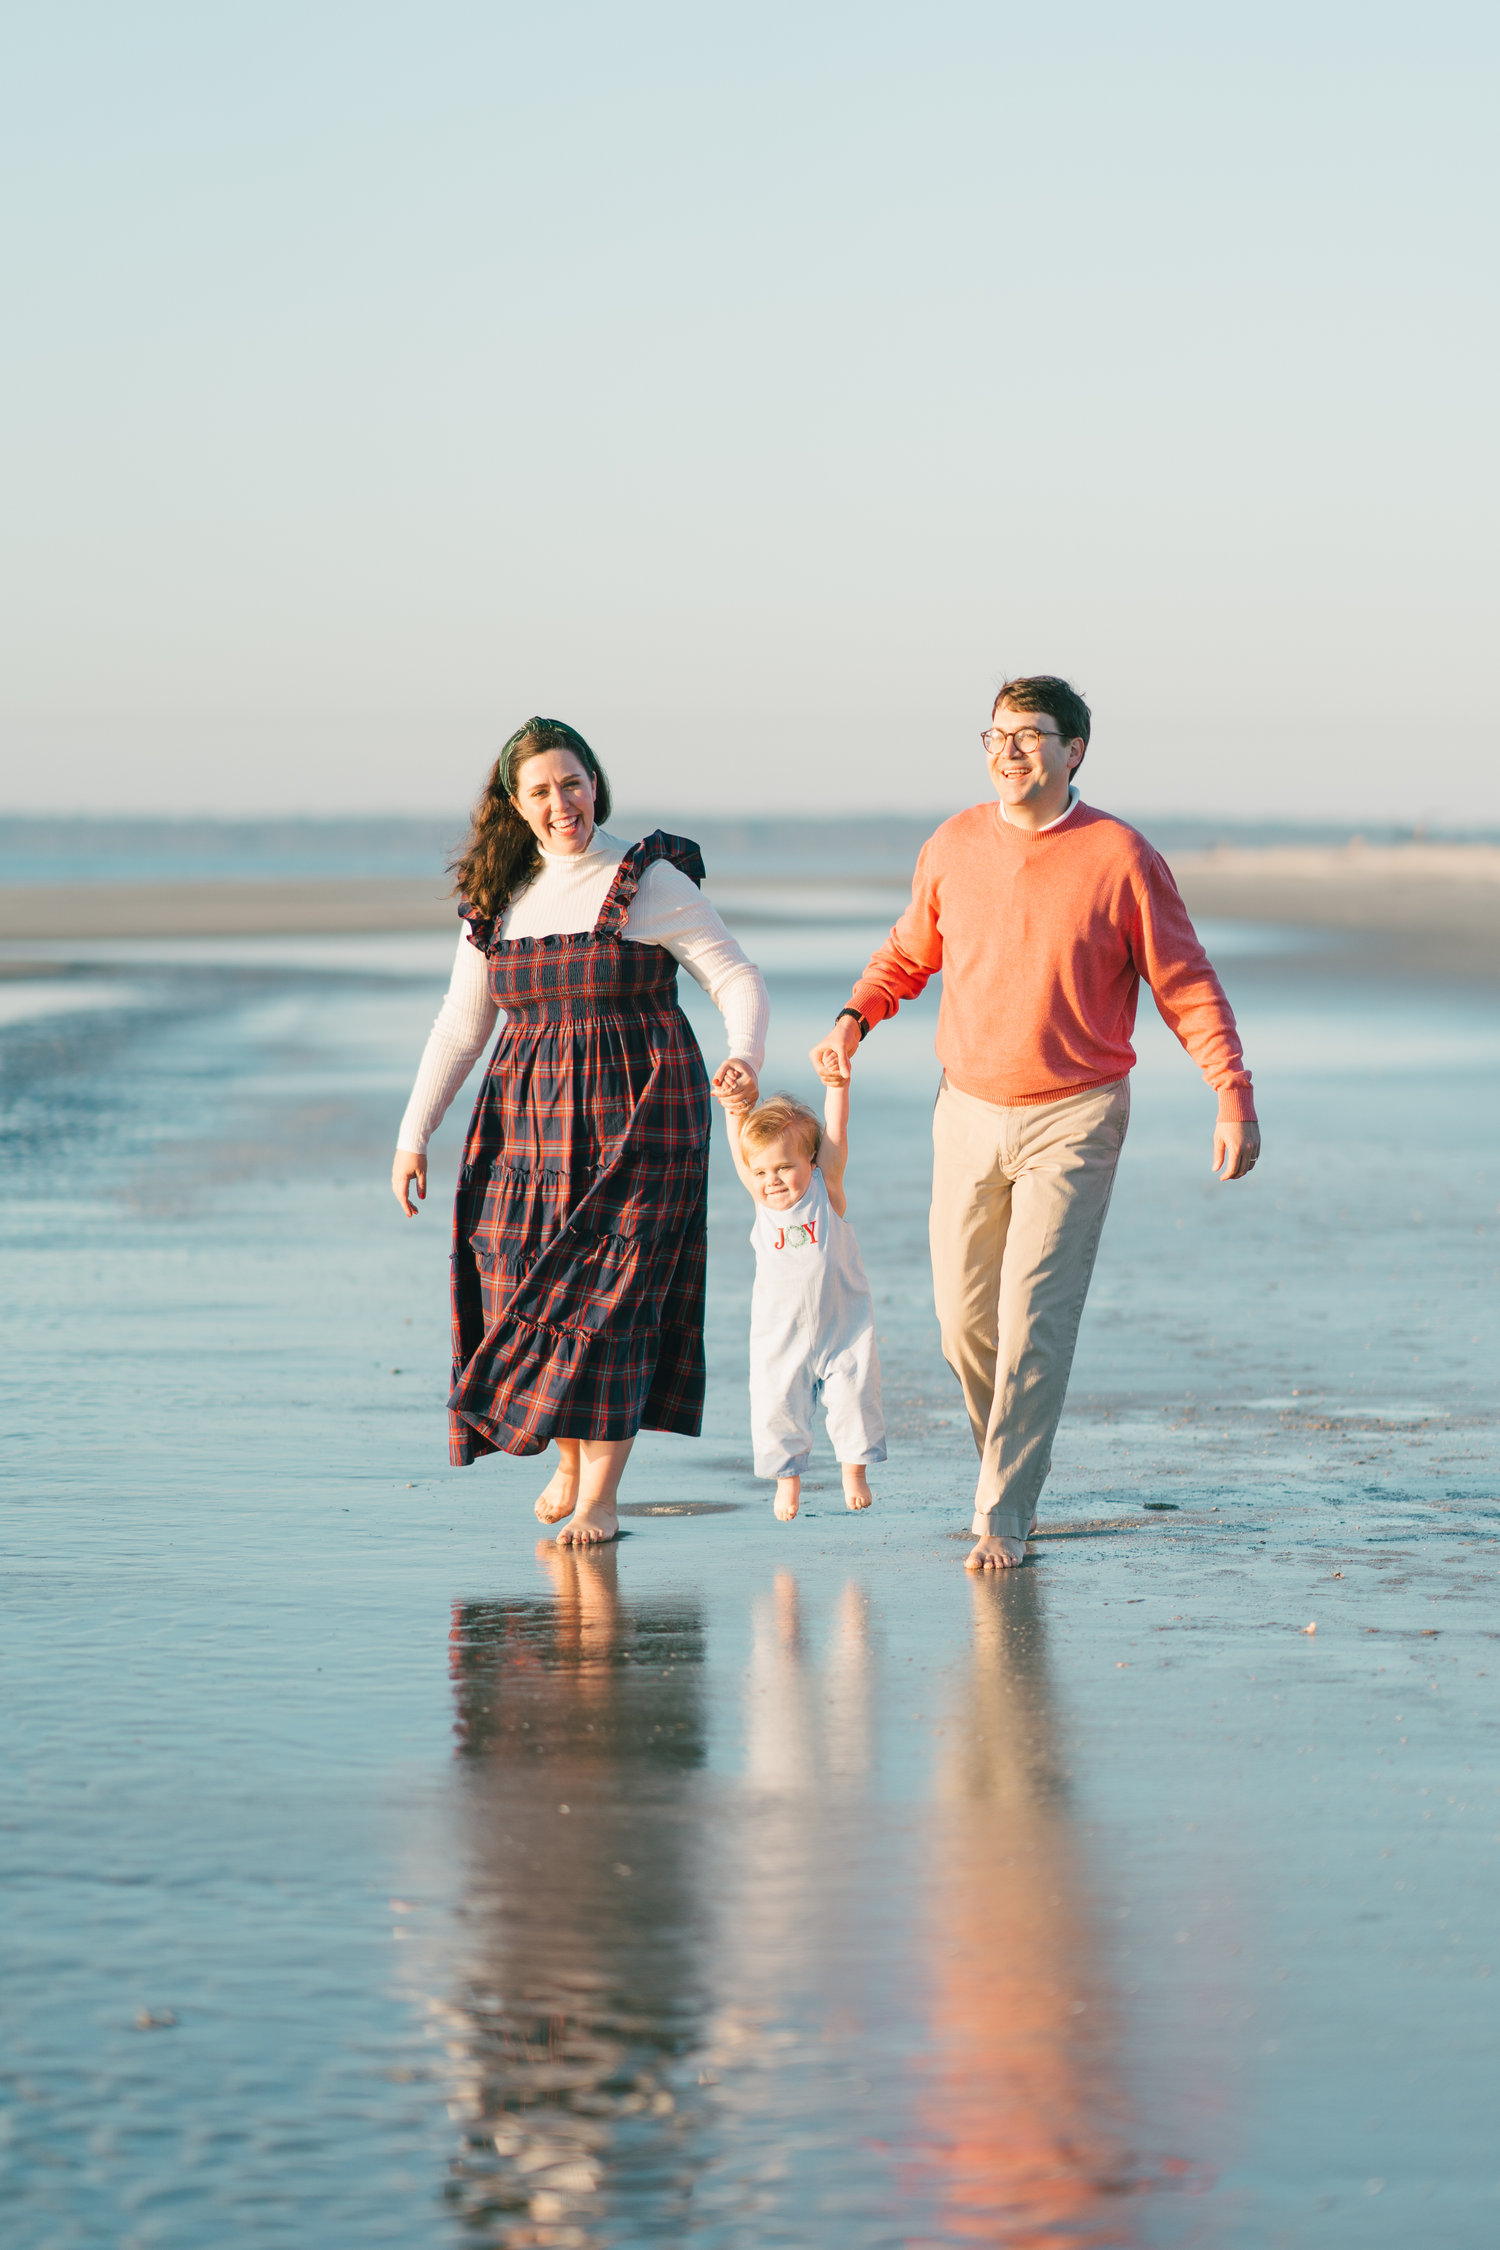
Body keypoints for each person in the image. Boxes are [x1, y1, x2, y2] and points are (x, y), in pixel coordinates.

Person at [810, 674, 1259, 1573]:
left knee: (1034, 1322)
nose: (1007, 749)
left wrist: (1231, 1089)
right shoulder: (955, 844)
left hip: (1077, 1115)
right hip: (966, 1110)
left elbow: (1184, 982)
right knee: (963, 1325)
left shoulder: (1121, 856)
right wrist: (856, 1016)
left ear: (1074, 750)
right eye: (996, 733)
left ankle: (1005, 1513)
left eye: (1030, 733)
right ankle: (1006, 1464)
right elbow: (909, 951)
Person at [393, 717, 767, 1545]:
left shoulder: (649, 878)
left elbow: (733, 975)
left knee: (614, 1299)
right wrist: (413, 1134)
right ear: (515, 804)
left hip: (642, 1110)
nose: (562, 802)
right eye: (541, 790)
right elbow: (462, 1024)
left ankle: (601, 1497)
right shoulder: (498, 896)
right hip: (524, 1125)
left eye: (573, 782)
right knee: (521, 1282)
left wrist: (743, 1055)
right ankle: (569, 1453)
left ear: (595, 782)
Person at [721, 1084, 886, 1522]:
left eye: (784, 1167)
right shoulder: (763, 1204)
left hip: (843, 1327)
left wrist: (838, 1084)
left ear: (810, 1163)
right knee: (777, 1406)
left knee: (855, 1399)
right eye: (763, 1173)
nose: (772, 1179)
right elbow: (742, 1154)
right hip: (780, 1334)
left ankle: (854, 1474)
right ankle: (787, 1481)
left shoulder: (825, 1191)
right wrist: (732, 1109)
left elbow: (837, 1129)